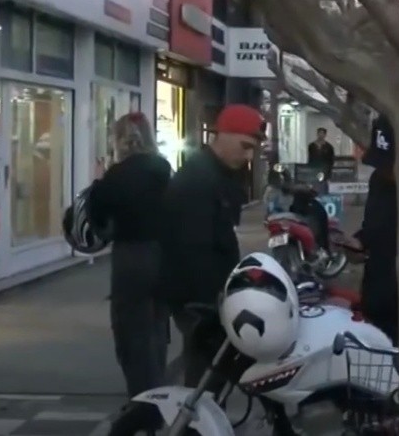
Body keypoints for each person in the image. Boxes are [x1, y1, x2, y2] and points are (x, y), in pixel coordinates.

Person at [159, 104, 265, 386]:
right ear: (222, 135)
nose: (248, 156)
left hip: (210, 295)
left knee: (211, 376)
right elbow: (193, 251)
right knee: (206, 378)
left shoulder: (217, 175)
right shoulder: (198, 180)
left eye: (253, 149)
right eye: (244, 146)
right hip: (199, 299)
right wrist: (213, 302)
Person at [87, 113, 173, 396]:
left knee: (131, 331)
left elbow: (97, 216)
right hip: (163, 254)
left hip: (130, 256)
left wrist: (98, 185)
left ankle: (143, 398)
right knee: (157, 325)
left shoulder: (116, 175)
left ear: (119, 139)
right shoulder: (163, 169)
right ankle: (158, 390)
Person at [358, 113, 399, 343]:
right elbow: (374, 224)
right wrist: (359, 241)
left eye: (389, 164)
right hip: (376, 294)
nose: (384, 171)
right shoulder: (378, 181)